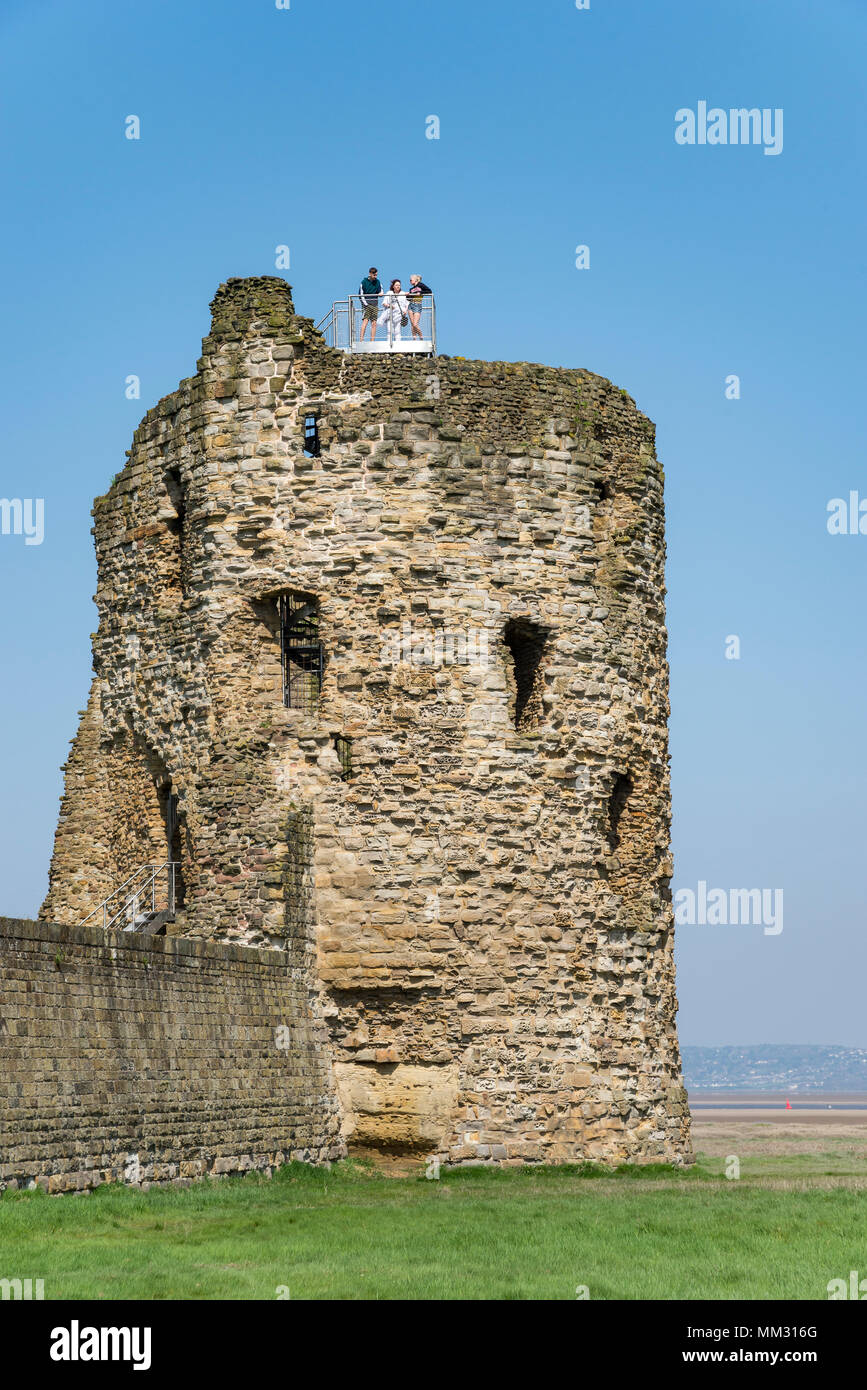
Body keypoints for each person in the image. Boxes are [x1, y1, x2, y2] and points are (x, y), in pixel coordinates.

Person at [378, 279, 409, 344]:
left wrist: (406, 311)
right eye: (396, 285)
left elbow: (407, 304)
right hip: (390, 315)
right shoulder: (389, 293)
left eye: (399, 285)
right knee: (389, 330)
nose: (398, 286)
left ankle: (398, 345)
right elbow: (384, 303)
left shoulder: (403, 293)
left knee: (398, 331)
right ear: (393, 286)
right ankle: (389, 345)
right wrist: (389, 306)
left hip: (400, 315)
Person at [358, 267, 382, 343]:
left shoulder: (378, 282)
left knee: (374, 323)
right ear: (370, 274)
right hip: (367, 305)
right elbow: (360, 294)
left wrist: (380, 293)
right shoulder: (364, 282)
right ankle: (361, 340)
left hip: (375, 304)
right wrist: (366, 304)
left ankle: (372, 341)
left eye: (376, 275)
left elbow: (380, 290)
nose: (375, 276)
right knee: (365, 321)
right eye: (374, 275)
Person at [406, 274, 433, 339]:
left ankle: (421, 336)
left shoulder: (420, 285)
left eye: (411, 280)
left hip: (417, 305)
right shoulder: (411, 289)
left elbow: (429, 291)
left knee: (415, 324)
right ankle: (414, 339)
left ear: (415, 280)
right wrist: (407, 295)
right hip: (411, 305)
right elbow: (408, 299)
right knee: (412, 324)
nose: (410, 281)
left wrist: (420, 293)